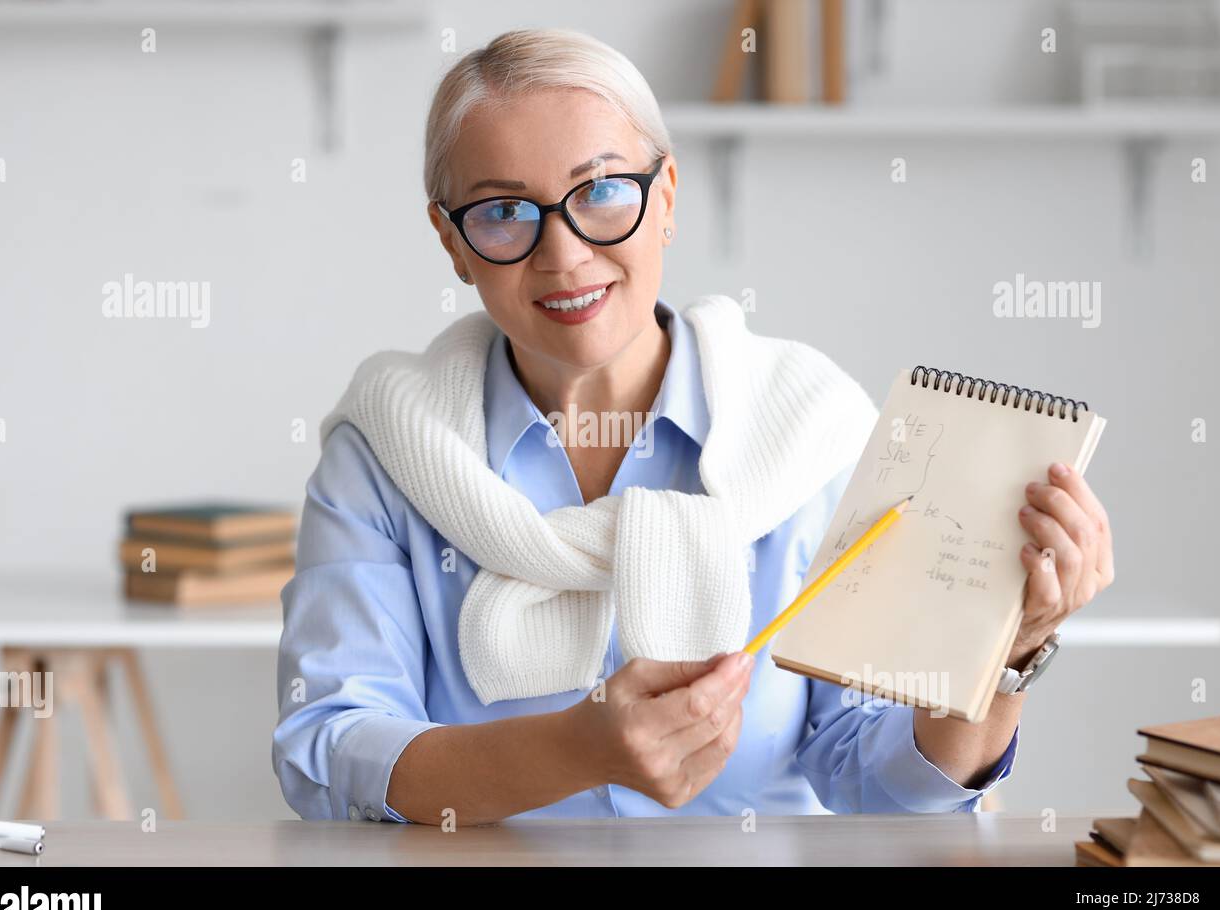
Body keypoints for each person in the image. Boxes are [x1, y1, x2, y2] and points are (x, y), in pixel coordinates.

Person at [272, 28, 1114, 825]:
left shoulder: (811, 434)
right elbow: (329, 747)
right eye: (502, 213)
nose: (562, 254)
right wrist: (574, 751)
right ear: (451, 242)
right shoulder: (386, 451)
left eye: (601, 192)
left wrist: (1007, 657)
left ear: (665, 195)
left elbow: (878, 787)